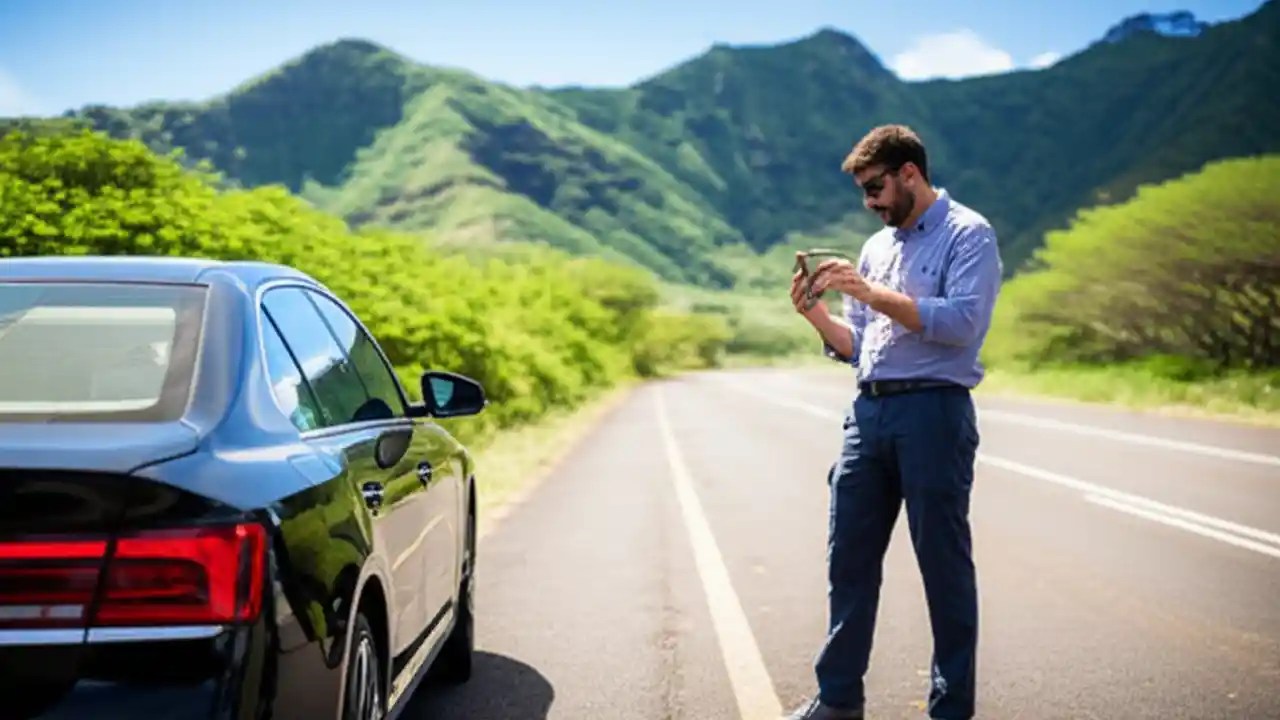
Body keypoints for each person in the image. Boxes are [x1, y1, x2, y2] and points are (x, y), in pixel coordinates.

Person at [782, 124, 1003, 720]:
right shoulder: (876, 247)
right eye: (862, 191)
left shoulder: (969, 234)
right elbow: (860, 346)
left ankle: (950, 709)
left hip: (934, 411)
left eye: (876, 187)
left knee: (943, 567)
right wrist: (817, 316)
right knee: (847, 558)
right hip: (868, 411)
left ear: (910, 173)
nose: (870, 202)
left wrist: (873, 294)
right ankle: (838, 701)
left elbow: (960, 324)